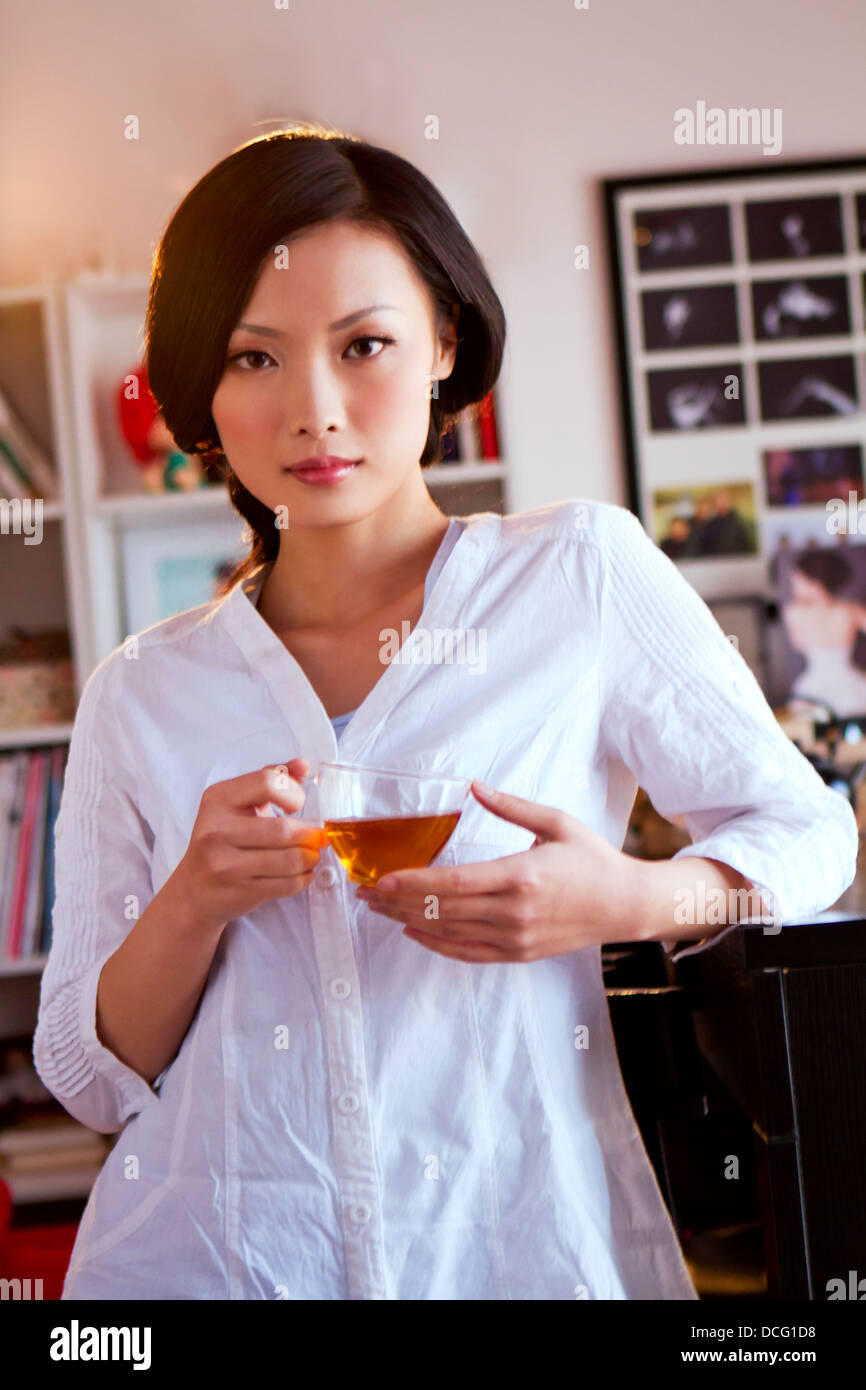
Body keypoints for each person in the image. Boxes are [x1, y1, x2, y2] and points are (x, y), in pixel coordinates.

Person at [33, 126, 858, 1302]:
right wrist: (194, 898)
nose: (315, 410)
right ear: (204, 391)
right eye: (253, 358)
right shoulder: (143, 689)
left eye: (362, 343)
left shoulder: (576, 575)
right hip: (208, 1268)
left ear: (442, 344)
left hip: (519, 1248)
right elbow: (87, 1069)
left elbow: (807, 833)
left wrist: (624, 898)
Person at [782, 549, 866, 717]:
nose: (794, 586)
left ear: (815, 582)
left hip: (812, 692)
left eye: (797, 581)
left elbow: (797, 643)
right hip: (852, 688)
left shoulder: (793, 614)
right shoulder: (851, 611)